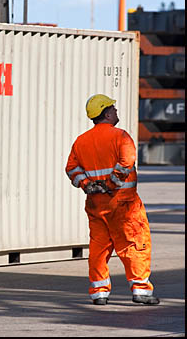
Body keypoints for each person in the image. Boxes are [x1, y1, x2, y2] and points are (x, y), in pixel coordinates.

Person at [65, 94, 160, 305]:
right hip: (123, 203)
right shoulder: (120, 136)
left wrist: (87, 185)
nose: (116, 112)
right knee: (134, 244)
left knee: (99, 248)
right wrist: (111, 184)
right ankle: (141, 290)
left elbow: (71, 168)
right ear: (107, 113)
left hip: (96, 205)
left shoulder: (82, 141)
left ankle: (99, 293)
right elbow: (126, 163)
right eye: (113, 109)